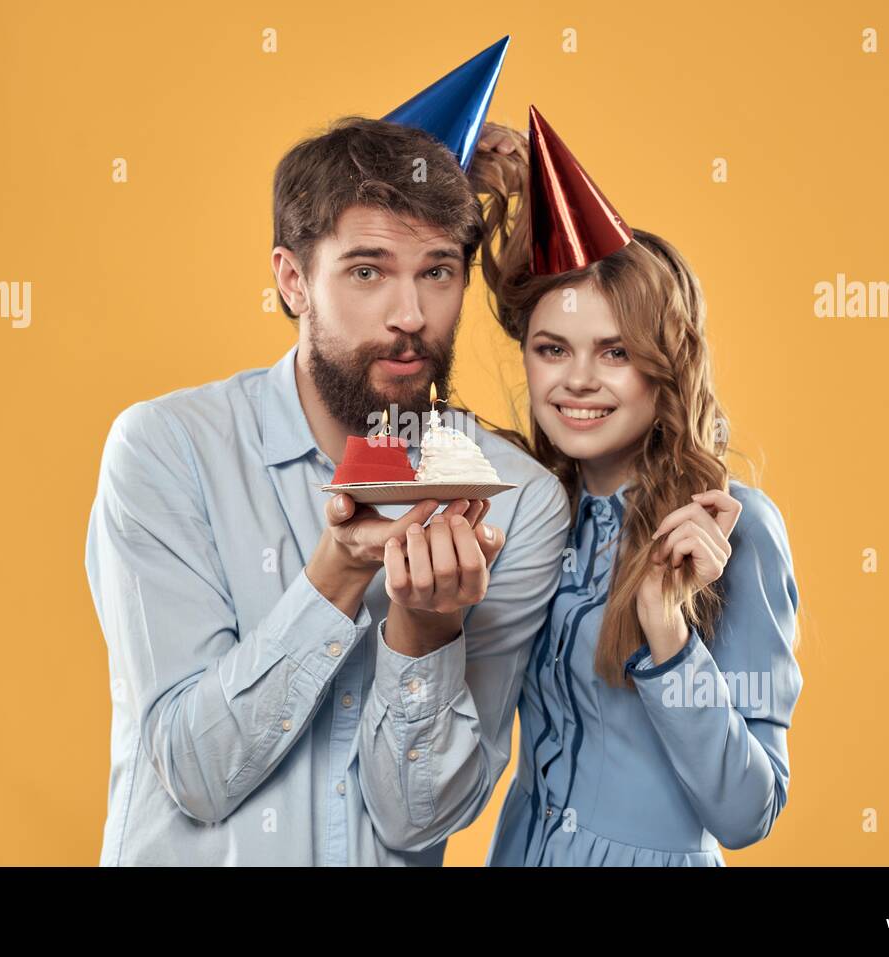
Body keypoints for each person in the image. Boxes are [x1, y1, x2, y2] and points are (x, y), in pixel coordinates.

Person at [83, 61, 573, 864]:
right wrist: (337, 574)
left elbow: (419, 819)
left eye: (438, 271)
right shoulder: (168, 449)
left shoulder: (515, 501)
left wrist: (425, 628)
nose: (410, 316)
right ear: (292, 279)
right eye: (368, 271)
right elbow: (194, 770)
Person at [470, 107, 804, 866]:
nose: (578, 380)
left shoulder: (732, 529)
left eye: (614, 351)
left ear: (665, 365)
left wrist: (667, 630)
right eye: (552, 348)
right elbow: (398, 392)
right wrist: (472, 192)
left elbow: (748, 811)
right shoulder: (529, 507)